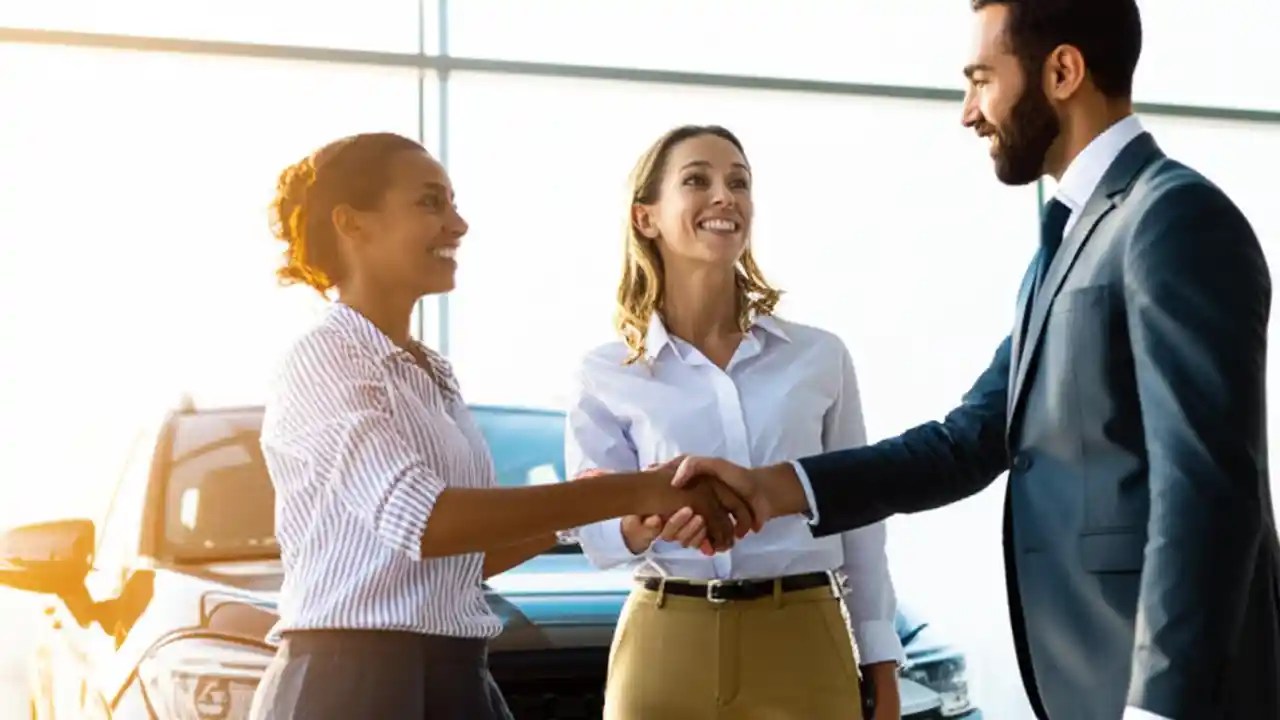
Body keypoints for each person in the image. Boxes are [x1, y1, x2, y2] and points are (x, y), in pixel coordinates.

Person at [672, 2, 1280, 719]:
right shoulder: (1066, 245)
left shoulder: (1173, 220)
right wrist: (774, 487)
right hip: (1090, 686)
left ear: (1062, 71)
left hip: (1166, 696)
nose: (969, 112)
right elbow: (967, 441)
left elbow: (1207, 487)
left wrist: (1159, 708)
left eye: (982, 79)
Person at [246, 132, 754, 720]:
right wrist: (634, 490)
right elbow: (427, 522)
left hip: (457, 675)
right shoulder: (323, 356)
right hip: (350, 683)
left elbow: (468, 557)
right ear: (352, 223)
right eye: (430, 203)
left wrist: (596, 511)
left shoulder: (431, 371)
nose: (458, 225)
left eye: (453, 204)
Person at [565, 124, 902, 719]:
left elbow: (862, 523)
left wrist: (881, 663)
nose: (725, 197)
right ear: (646, 217)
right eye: (697, 180)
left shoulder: (818, 356)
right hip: (665, 642)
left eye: (739, 183)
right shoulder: (606, 372)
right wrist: (643, 524)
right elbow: (594, 529)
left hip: (803, 639)